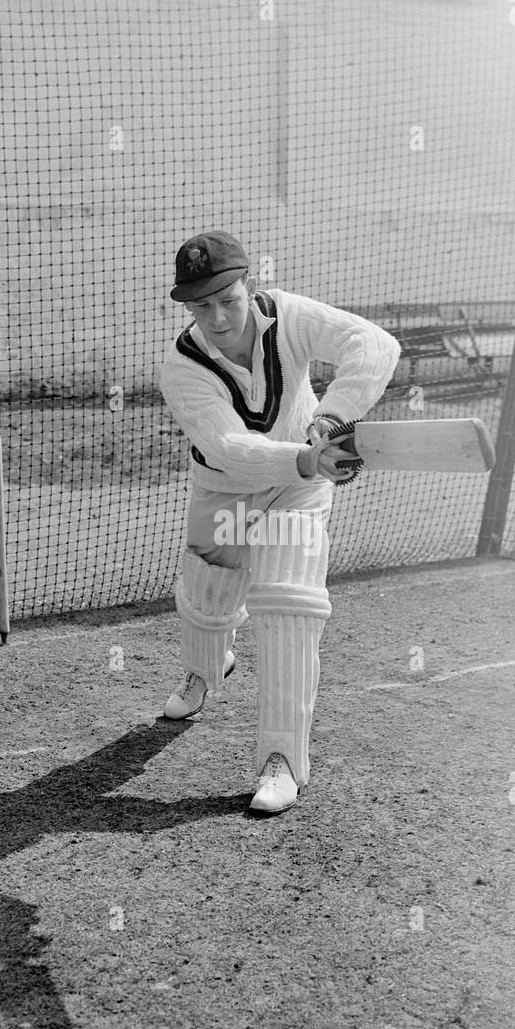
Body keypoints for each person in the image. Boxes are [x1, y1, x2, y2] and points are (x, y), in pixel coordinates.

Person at [159, 231, 400, 814]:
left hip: (299, 489)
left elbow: (373, 343)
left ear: (250, 286)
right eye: (201, 305)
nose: (217, 317)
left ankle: (283, 761)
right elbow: (227, 446)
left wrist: (333, 415)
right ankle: (204, 669)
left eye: (227, 299)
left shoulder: (289, 316)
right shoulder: (181, 368)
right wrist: (303, 455)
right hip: (226, 490)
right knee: (207, 600)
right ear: (188, 306)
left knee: (287, 605)